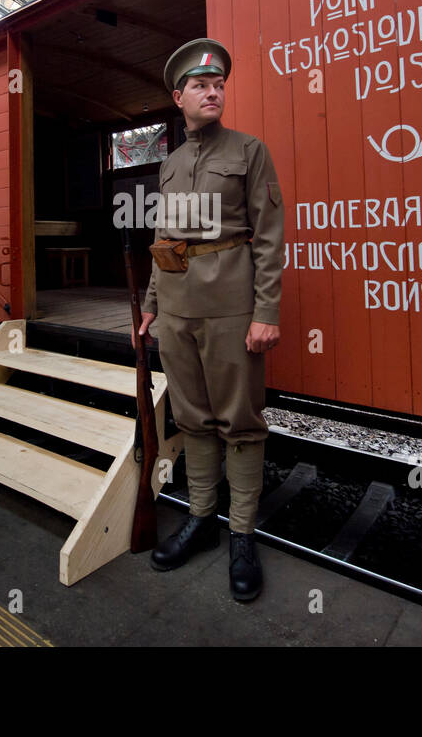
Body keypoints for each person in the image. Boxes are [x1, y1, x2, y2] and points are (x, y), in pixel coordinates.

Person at [138, 38, 284, 602]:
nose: (212, 92)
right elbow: (164, 239)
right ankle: (201, 519)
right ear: (179, 97)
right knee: (192, 417)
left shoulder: (249, 151)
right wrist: (151, 304)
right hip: (176, 308)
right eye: (200, 86)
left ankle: (242, 535)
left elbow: (269, 238)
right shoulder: (171, 164)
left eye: (218, 84)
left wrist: (265, 311)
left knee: (239, 421)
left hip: (230, 307)